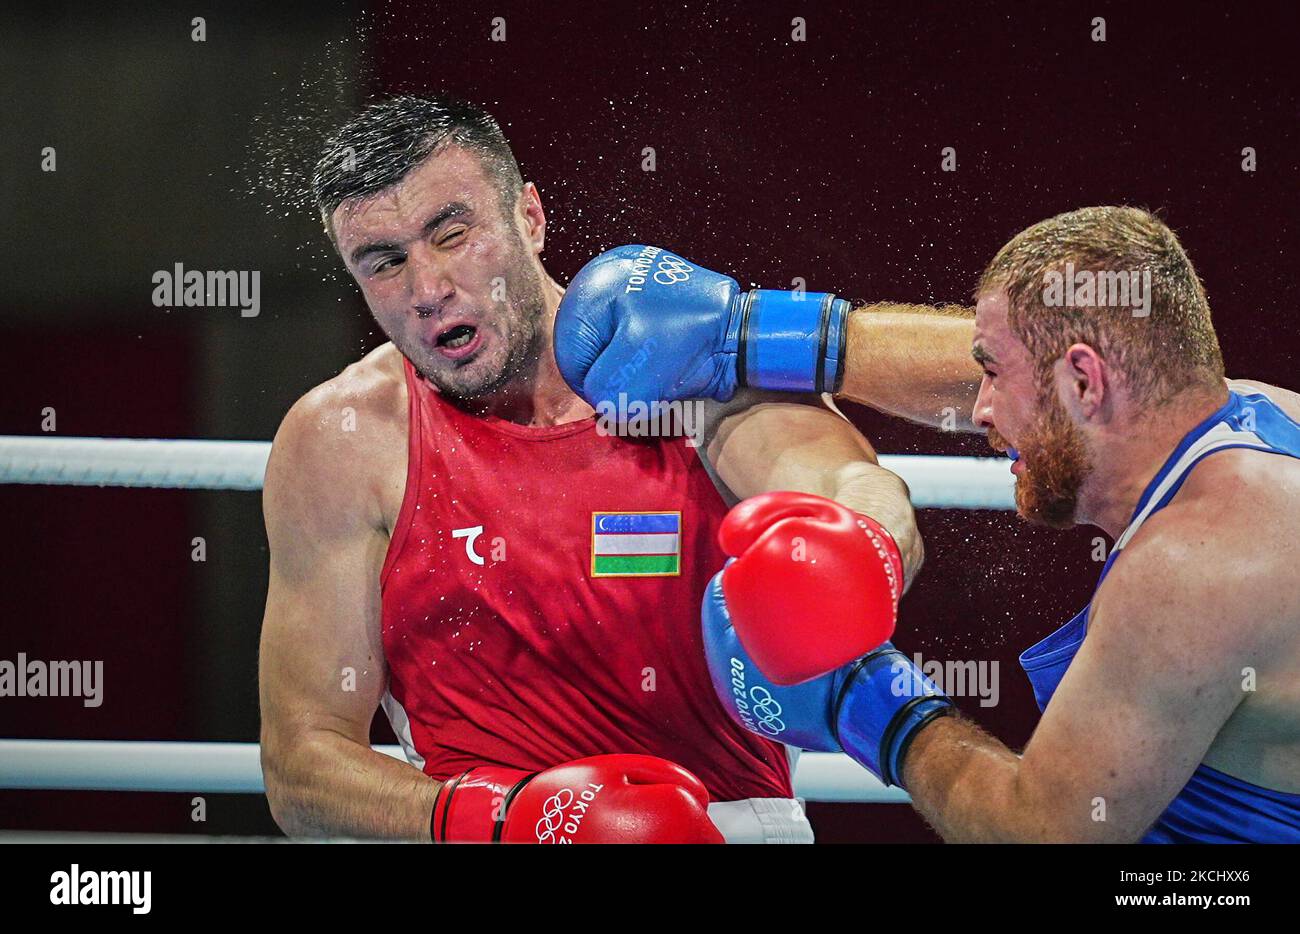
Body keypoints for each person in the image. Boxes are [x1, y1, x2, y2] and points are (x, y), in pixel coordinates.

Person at [257, 94, 923, 843]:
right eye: (385, 263)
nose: (428, 288)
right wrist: (506, 823)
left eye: (452, 233)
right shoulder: (344, 439)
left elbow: (852, 491)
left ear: (530, 219)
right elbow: (302, 766)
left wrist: (859, 547)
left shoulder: (684, 364)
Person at [556, 206, 1300, 842]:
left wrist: (863, 702)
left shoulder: (1189, 569)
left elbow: (1042, 830)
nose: (975, 411)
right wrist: (748, 332)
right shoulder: (1257, 419)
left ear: (1083, 382)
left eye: (990, 373)